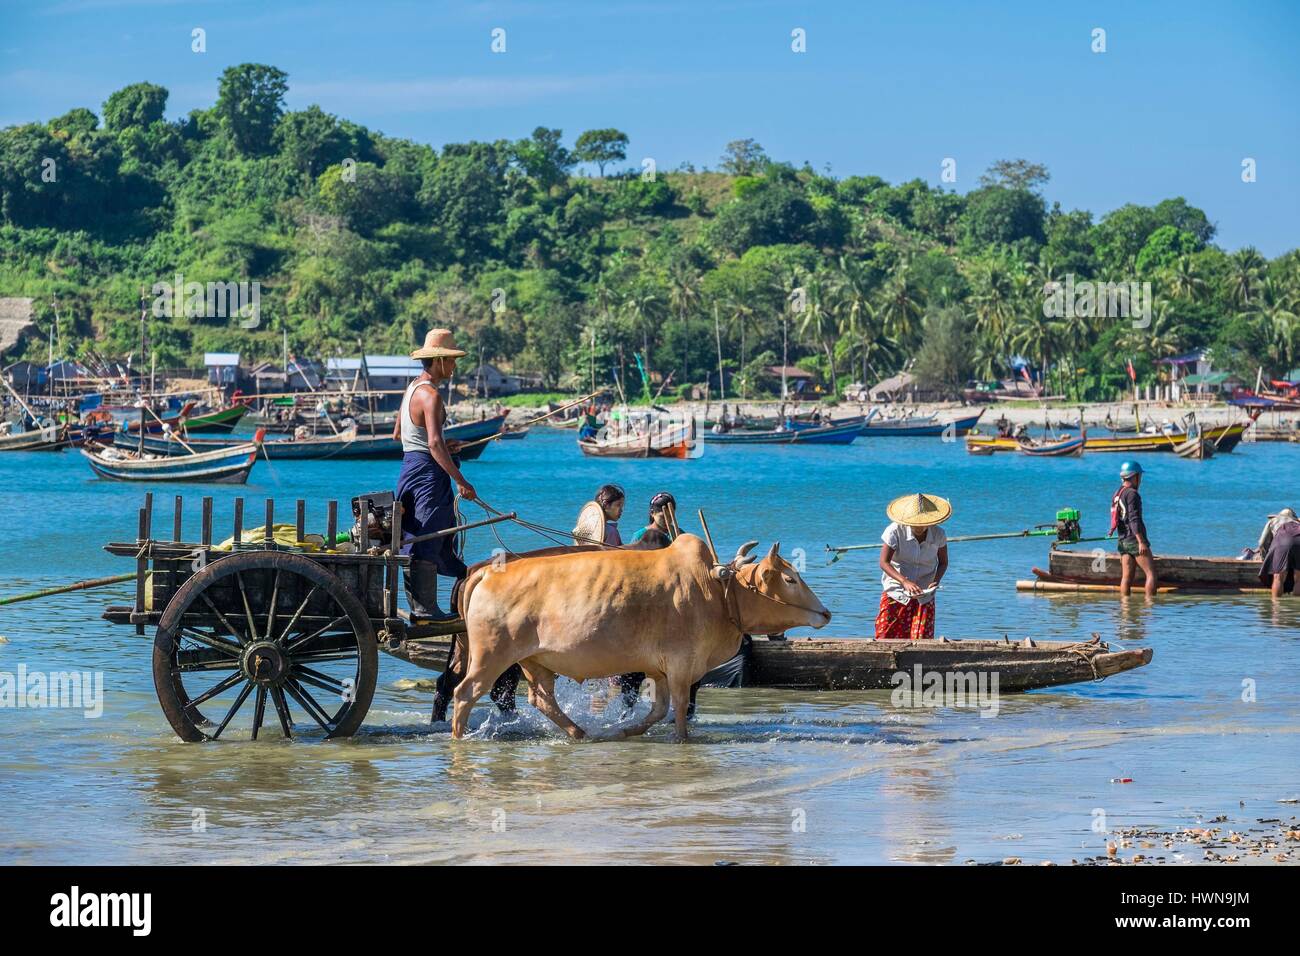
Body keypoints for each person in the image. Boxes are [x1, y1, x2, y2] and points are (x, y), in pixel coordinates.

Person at [393, 328, 476, 621]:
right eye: (451, 361)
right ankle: (423, 609)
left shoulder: (411, 390)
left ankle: (452, 589)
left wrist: (442, 442)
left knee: (423, 531)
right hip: (428, 475)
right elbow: (432, 443)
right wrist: (461, 481)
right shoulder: (431, 396)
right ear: (439, 361)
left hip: (411, 470)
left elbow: (398, 434)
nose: (454, 367)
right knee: (428, 534)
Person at [876, 493, 950, 640]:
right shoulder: (895, 531)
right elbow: (884, 562)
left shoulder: (938, 534)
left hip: (924, 594)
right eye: (915, 523)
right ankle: (885, 664)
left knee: (921, 640)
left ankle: (917, 665)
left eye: (923, 523)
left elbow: (943, 563)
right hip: (896, 591)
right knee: (886, 636)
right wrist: (904, 581)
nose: (919, 526)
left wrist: (936, 580)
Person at [1110, 461, 1158, 597]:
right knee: (1151, 573)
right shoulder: (1132, 494)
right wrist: (1141, 541)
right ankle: (1150, 607)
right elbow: (1133, 519)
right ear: (1134, 476)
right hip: (1134, 540)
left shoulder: (1117, 493)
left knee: (1126, 578)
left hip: (1123, 540)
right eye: (1140, 476)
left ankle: (1125, 609)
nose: (1141, 480)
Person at [1258, 514, 1300, 597]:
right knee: (1299, 578)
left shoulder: (1273, 521)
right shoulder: (1297, 522)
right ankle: (1297, 607)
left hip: (1282, 542)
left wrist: (1264, 558)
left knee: (1278, 577)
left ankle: (1276, 606)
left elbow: (1262, 543)